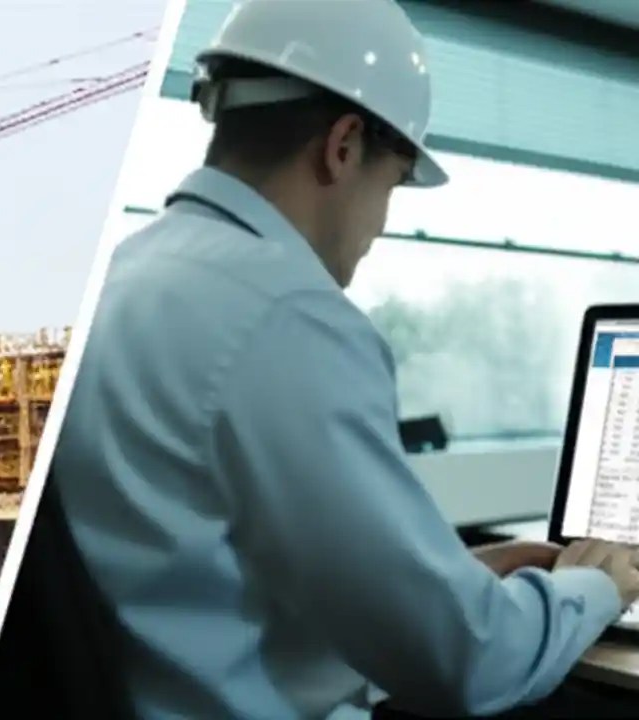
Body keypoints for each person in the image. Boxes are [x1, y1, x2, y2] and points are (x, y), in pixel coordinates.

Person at [42, 0, 639, 718]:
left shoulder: (128, 277)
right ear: (344, 145)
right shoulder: (285, 313)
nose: (381, 225)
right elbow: (471, 666)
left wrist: (451, 584)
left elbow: (208, 590)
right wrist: (602, 584)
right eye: (390, 185)